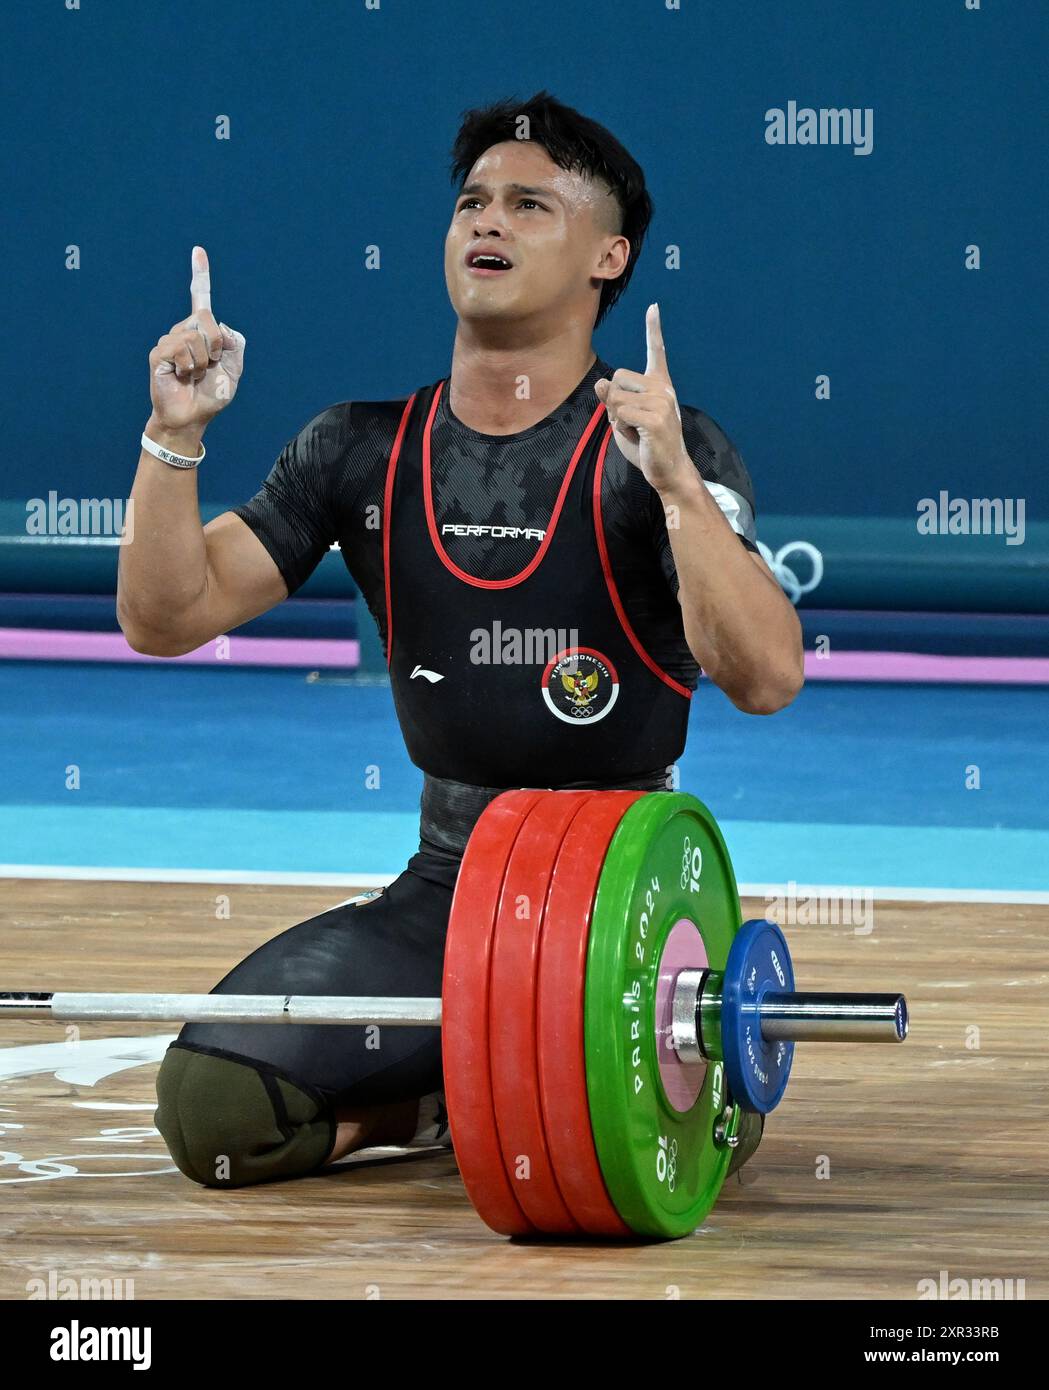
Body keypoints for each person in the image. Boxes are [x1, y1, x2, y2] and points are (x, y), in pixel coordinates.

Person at [118, 91, 803, 1192]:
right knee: (216, 1110)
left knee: (631, 1127)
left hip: (617, 905)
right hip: (446, 893)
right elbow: (164, 616)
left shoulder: (657, 447)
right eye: (472, 202)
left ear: (606, 255)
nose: (487, 222)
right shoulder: (356, 447)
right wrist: (172, 436)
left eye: (530, 204)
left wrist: (675, 484)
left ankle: (509, 1075)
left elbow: (765, 675)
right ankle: (444, 1100)